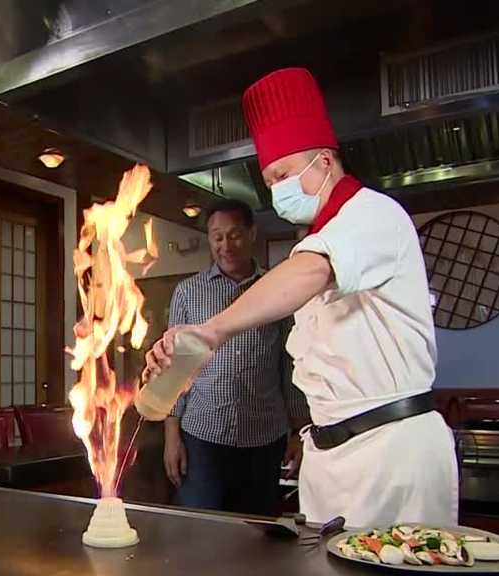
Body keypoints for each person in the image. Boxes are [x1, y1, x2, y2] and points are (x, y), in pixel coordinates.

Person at [144, 68, 457, 528]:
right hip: (328, 455)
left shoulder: (372, 214)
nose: (278, 190)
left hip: (387, 453)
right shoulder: (315, 239)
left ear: (325, 162)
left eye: (284, 173)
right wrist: (185, 360)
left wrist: (211, 331)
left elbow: (313, 268)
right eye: (269, 181)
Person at [163, 199, 307, 515]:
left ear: (252, 233)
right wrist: (171, 436)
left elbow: (290, 365)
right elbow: (175, 369)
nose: (225, 245)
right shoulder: (188, 292)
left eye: (234, 235)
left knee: (257, 534)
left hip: (264, 436)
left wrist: (298, 432)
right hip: (202, 434)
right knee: (200, 529)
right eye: (217, 236)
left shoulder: (277, 288)